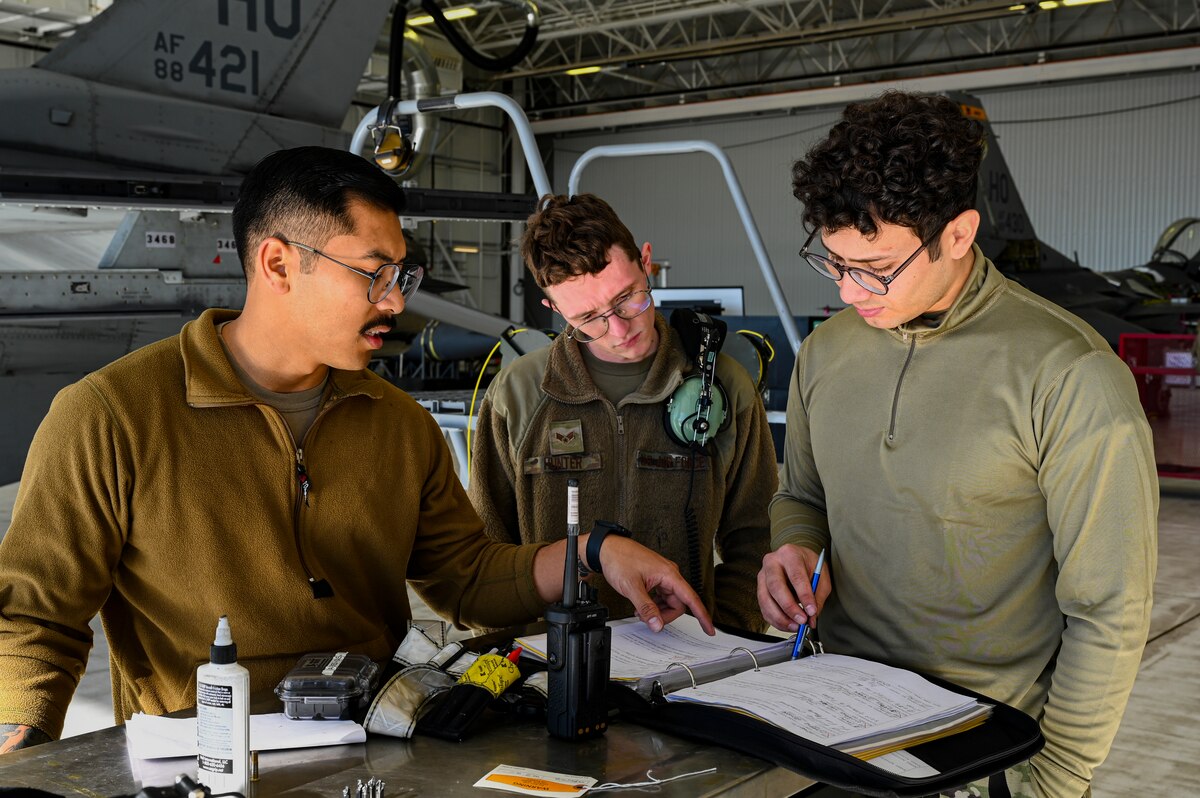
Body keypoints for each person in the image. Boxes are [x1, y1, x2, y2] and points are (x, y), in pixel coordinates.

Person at [0, 147, 712, 753]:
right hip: (202, 760)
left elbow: (463, 578)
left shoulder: (398, 425)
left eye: (402, 275)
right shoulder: (109, 416)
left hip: (374, 749)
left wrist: (593, 552)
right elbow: (36, 620)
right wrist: (23, 757)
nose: (396, 302)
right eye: (374, 272)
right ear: (278, 263)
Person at [757, 91, 1157, 798]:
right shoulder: (824, 352)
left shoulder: (1069, 375)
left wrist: (1052, 783)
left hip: (986, 760)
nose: (851, 292)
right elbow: (803, 496)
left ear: (961, 234)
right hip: (833, 738)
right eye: (834, 261)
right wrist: (793, 549)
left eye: (875, 267)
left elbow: (1109, 611)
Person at [468, 193, 777, 632]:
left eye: (628, 298)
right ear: (553, 309)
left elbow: (756, 539)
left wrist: (721, 637)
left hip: (686, 669)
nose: (618, 330)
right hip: (550, 666)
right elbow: (487, 555)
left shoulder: (722, 386)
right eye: (588, 317)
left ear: (646, 262)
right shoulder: (517, 394)